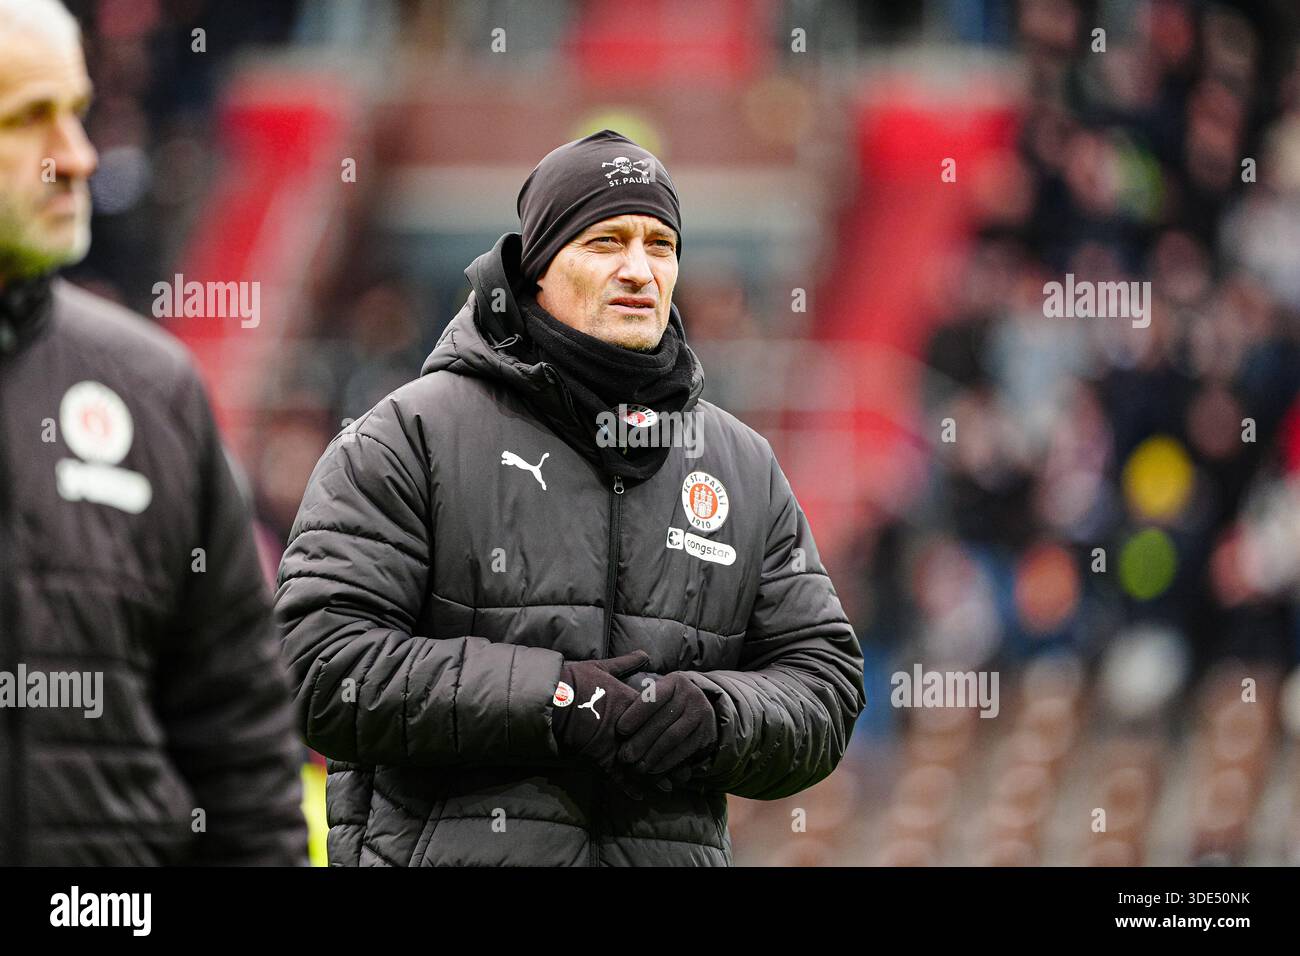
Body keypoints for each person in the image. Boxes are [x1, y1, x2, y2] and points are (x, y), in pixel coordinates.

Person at [276, 128, 866, 866]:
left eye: (660, 244)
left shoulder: (741, 465)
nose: (639, 270)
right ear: (536, 269)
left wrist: (714, 716)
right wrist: (554, 699)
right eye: (604, 241)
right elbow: (317, 665)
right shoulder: (406, 438)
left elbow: (826, 684)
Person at [0, 0, 306, 864]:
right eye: (30, 120)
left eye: (77, 111)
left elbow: (242, 744)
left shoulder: (151, 388)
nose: (79, 157)